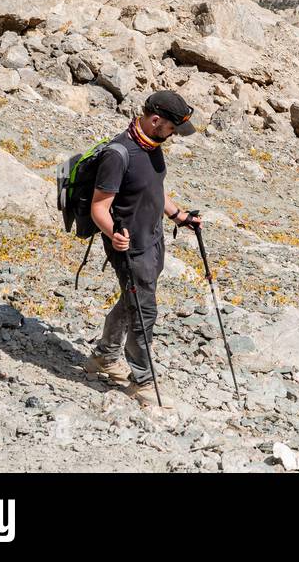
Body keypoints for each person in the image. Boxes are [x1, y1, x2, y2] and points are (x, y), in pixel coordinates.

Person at [82, 91, 201, 407]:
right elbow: (99, 207)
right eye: (172, 128)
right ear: (155, 119)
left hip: (153, 240)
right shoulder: (119, 154)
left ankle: (104, 356)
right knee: (143, 311)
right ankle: (143, 382)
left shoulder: (152, 146)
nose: (174, 135)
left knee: (132, 299)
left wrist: (178, 215)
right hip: (130, 248)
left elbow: (153, 188)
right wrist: (113, 235)